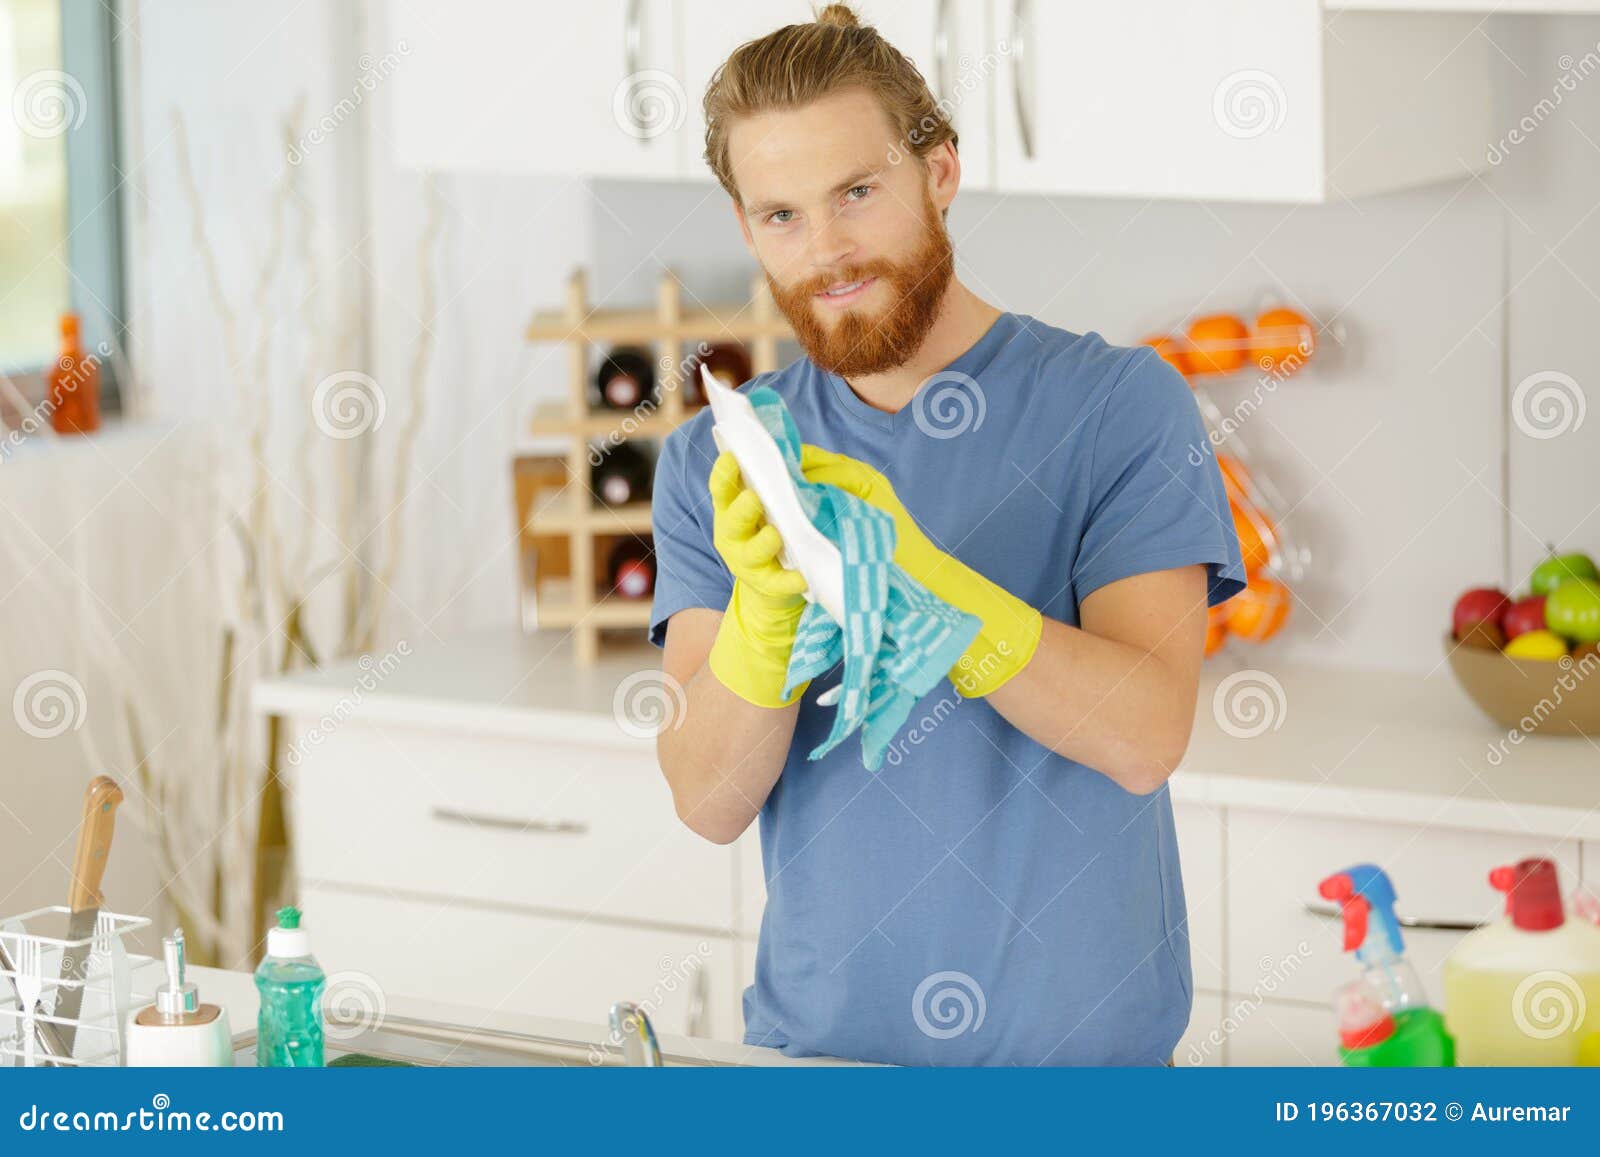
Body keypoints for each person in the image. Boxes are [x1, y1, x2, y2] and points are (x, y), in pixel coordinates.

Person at [648, 4, 1245, 1066]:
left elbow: (1144, 732)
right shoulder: (719, 463)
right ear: (745, 228)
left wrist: (933, 591)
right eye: (780, 214)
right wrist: (769, 612)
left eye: (858, 194)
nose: (826, 250)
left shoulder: (1118, 404)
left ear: (941, 173)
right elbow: (707, 798)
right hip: (819, 1064)